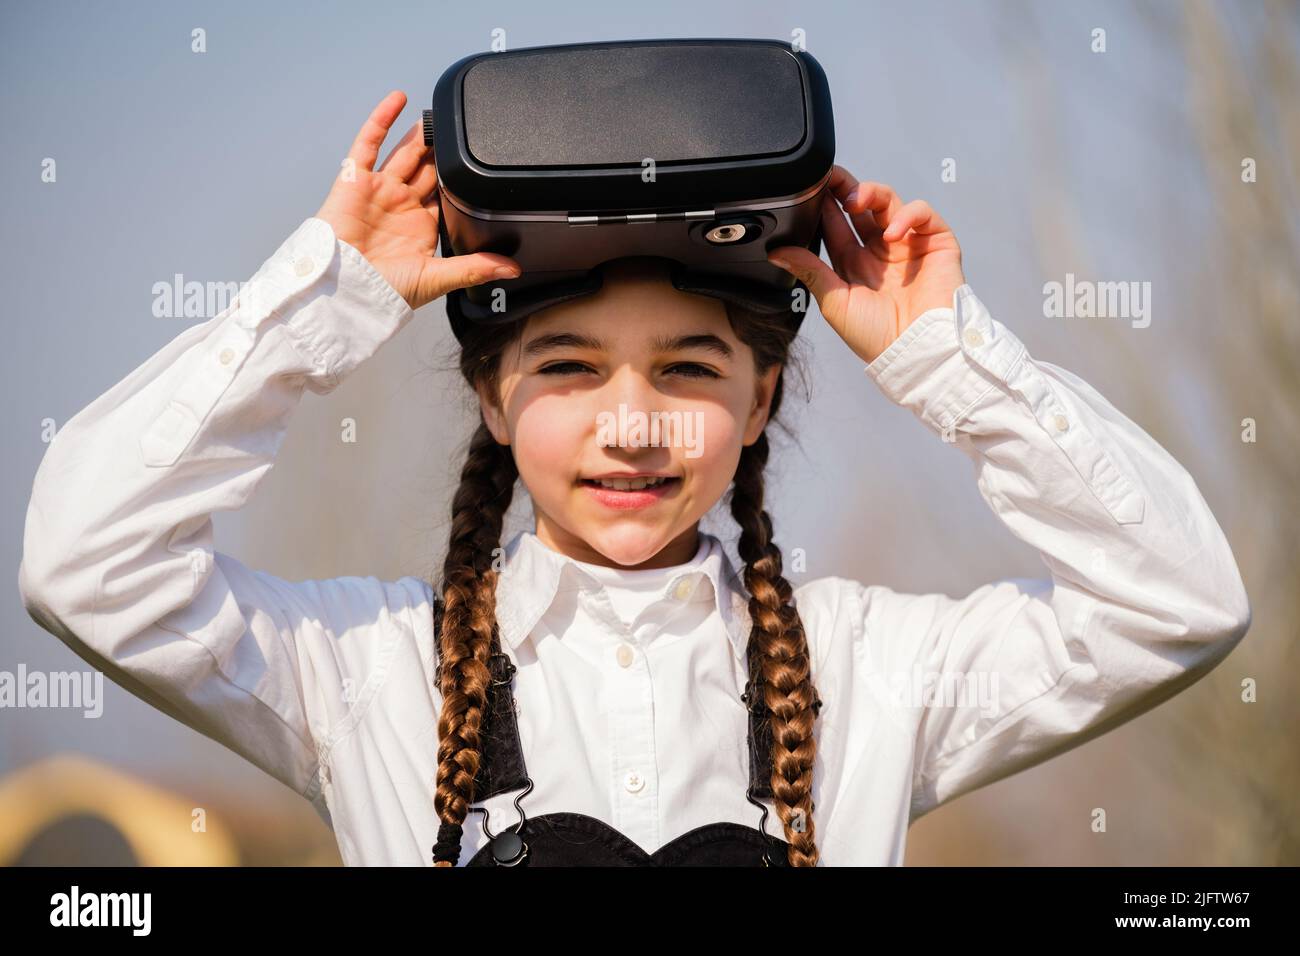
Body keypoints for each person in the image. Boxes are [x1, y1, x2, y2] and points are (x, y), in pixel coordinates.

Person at [18, 90, 1251, 867]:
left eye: (686, 368)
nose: (632, 424)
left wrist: (945, 356)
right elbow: (87, 562)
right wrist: (323, 303)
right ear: (493, 400)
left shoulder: (872, 670)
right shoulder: (369, 669)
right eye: (566, 365)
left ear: (759, 397)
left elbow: (1175, 603)